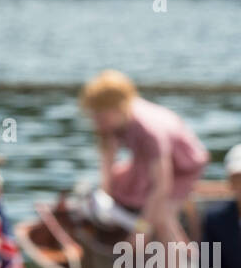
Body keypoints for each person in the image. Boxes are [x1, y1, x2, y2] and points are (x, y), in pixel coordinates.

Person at [79, 69, 208, 254]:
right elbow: (107, 155)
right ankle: (187, 251)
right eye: (94, 116)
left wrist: (141, 233)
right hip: (148, 162)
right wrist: (106, 194)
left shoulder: (149, 131)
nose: (97, 122)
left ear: (119, 108)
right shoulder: (114, 118)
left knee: (161, 218)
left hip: (183, 166)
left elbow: (161, 187)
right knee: (120, 184)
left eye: (101, 117)